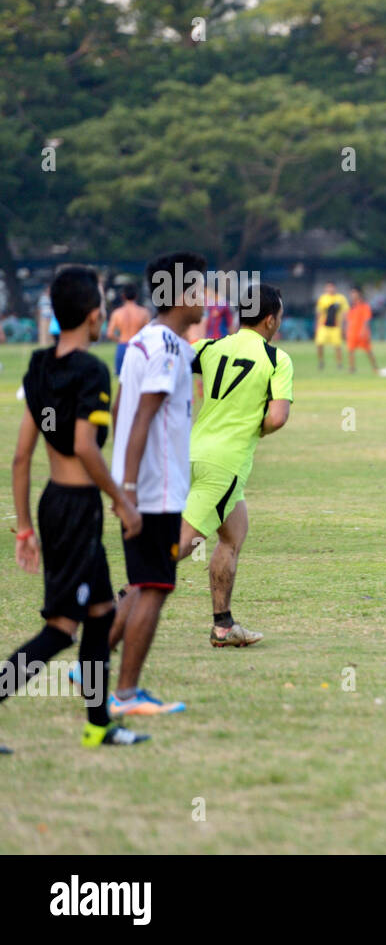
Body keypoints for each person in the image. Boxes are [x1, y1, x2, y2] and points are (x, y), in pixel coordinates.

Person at [2, 265, 147, 752]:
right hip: (77, 508)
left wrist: (24, 528)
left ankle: (97, 724)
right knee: (62, 628)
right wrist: (122, 500)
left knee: (103, 613)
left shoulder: (40, 365)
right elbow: (86, 446)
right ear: (92, 316)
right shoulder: (90, 370)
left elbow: (22, 456)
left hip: (52, 504)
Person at [107, 251, 207, 717]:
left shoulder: (142, 342)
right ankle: (126, 695)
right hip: (156, 491)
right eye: (200, 287)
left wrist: (120, 484)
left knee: (140, 583)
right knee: (154, 587)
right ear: (181, 295)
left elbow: (119, 409)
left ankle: (93, 668)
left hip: (141, 488)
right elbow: (143, 417)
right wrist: (127, 490)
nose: (206, 296)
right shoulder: (167, 347)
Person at [178, 285, 293, 647]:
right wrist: (248, 426)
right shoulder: (276, 359)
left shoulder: (211, 347)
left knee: (233, 533)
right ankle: (123, 599)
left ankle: (223, 626)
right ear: (270, 319)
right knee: (181, 544)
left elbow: (173, 361)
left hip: (192, 452)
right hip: (224, 463)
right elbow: (277, 417)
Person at [106, 283, 150, 376]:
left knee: (121, 378)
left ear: (123, 296)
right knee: (139, 376)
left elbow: (110, 333)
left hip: (122, 345)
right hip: (138, 346)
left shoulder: (117, 313)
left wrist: (120, 340)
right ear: (137, 296)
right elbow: (148, 332)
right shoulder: (144, 312)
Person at [314, 281, 347, 371]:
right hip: (323, 326)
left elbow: (345, 312)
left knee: (337, 346)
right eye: (328, 287)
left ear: (335, 288)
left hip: (336, 326)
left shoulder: (340, 298)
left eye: (332, 287)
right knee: (319, 344)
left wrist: (344, 326)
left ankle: (339, 363)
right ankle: (321, 362)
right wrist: (317, 326)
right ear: (326, 288)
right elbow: (319, 313)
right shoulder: (322, 298)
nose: (330, 289)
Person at [345, 286, 378, 373]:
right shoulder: (352, 307)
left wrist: (363, 330)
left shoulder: (364, 306)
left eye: (354, 293)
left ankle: (375, 368)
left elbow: (366, 319)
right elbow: (349, 320)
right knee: (350, 351)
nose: (353, 295)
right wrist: (346, 331)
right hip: (352, 332)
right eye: (351, 293)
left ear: (359, 294)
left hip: (362, 333)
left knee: (368, 351)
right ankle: (352, 368)